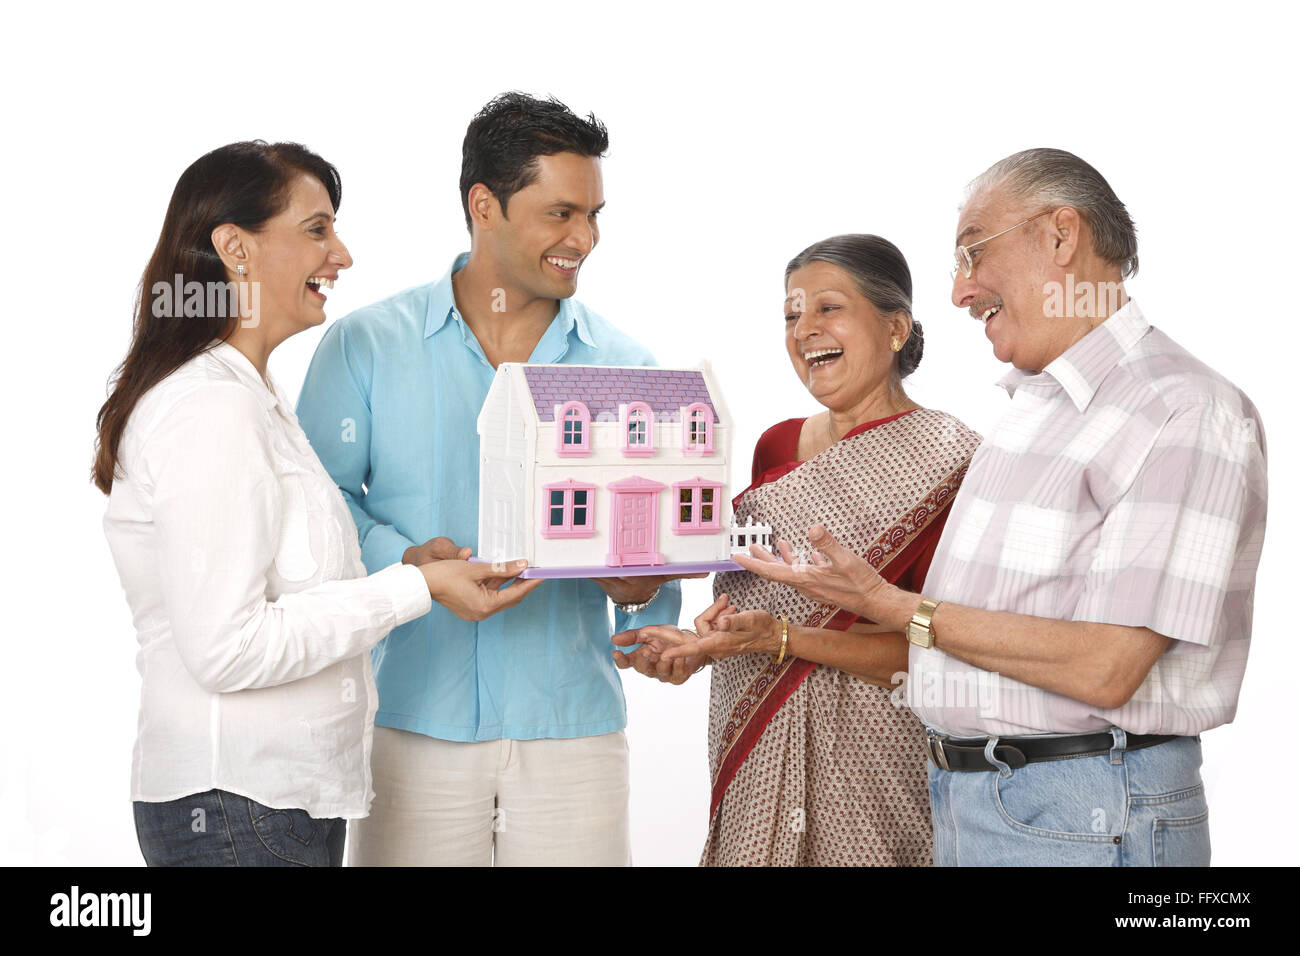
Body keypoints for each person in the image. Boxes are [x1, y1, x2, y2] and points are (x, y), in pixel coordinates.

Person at [728, 149, 1268, 867]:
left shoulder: (1182, 411)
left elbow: (1108, 667)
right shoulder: (1030, 408)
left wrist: (889, 605)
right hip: (969, 800)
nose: (957, 292)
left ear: (1059, 235)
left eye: (973, 253)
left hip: (1085, 808)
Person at [95, 141, 541, 867]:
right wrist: (413, 587)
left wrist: (407, 566)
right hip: (237, 806)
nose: (342, 254)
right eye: (316, 229)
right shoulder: (210, 408)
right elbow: (228, 648)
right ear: (235, 249)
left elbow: (287, 596)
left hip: (269, 807)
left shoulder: (252, 399)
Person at [295, 93, 685, 867]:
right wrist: (412, 564)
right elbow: (315, 504)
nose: (586, 239)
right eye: (562, 214)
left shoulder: (630, 368)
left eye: (596, 215)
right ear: (485, 205)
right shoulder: (364, 346)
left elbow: (652, 568)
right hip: (411, 723)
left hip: (573, 735)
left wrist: (636, 586)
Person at [615, 235, 981, 865]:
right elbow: (751, 601)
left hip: (875, 759)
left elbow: (942, 649)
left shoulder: (953, 458)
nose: (805, 331)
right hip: (754, 735)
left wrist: (780, 639)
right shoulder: (775, 446)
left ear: (895, 327)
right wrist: (706, 643)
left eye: (827, 309)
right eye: (791, 315)